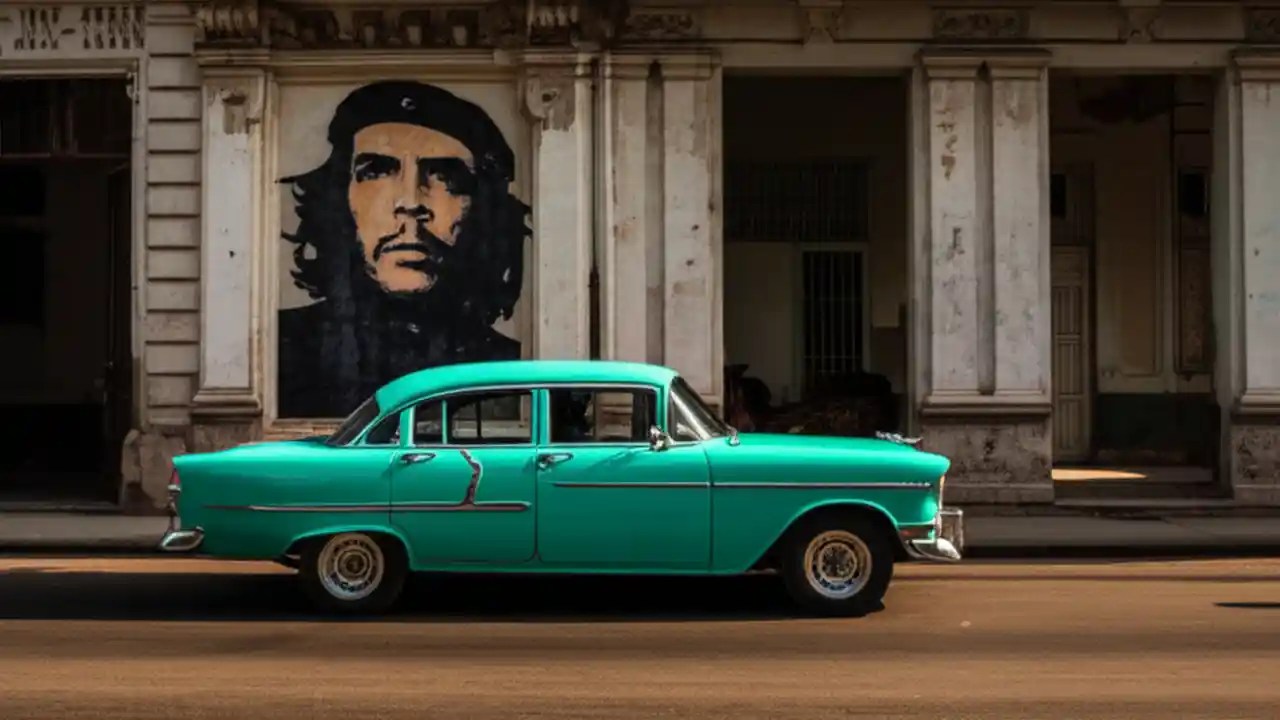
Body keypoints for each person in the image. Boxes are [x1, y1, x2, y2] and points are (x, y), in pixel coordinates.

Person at [276, 81, 531, 418]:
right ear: (337, 198)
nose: (410, 203)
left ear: (486, 211)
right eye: (377, 172)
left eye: (445, 177)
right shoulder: (279, 349)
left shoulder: (512, 370)